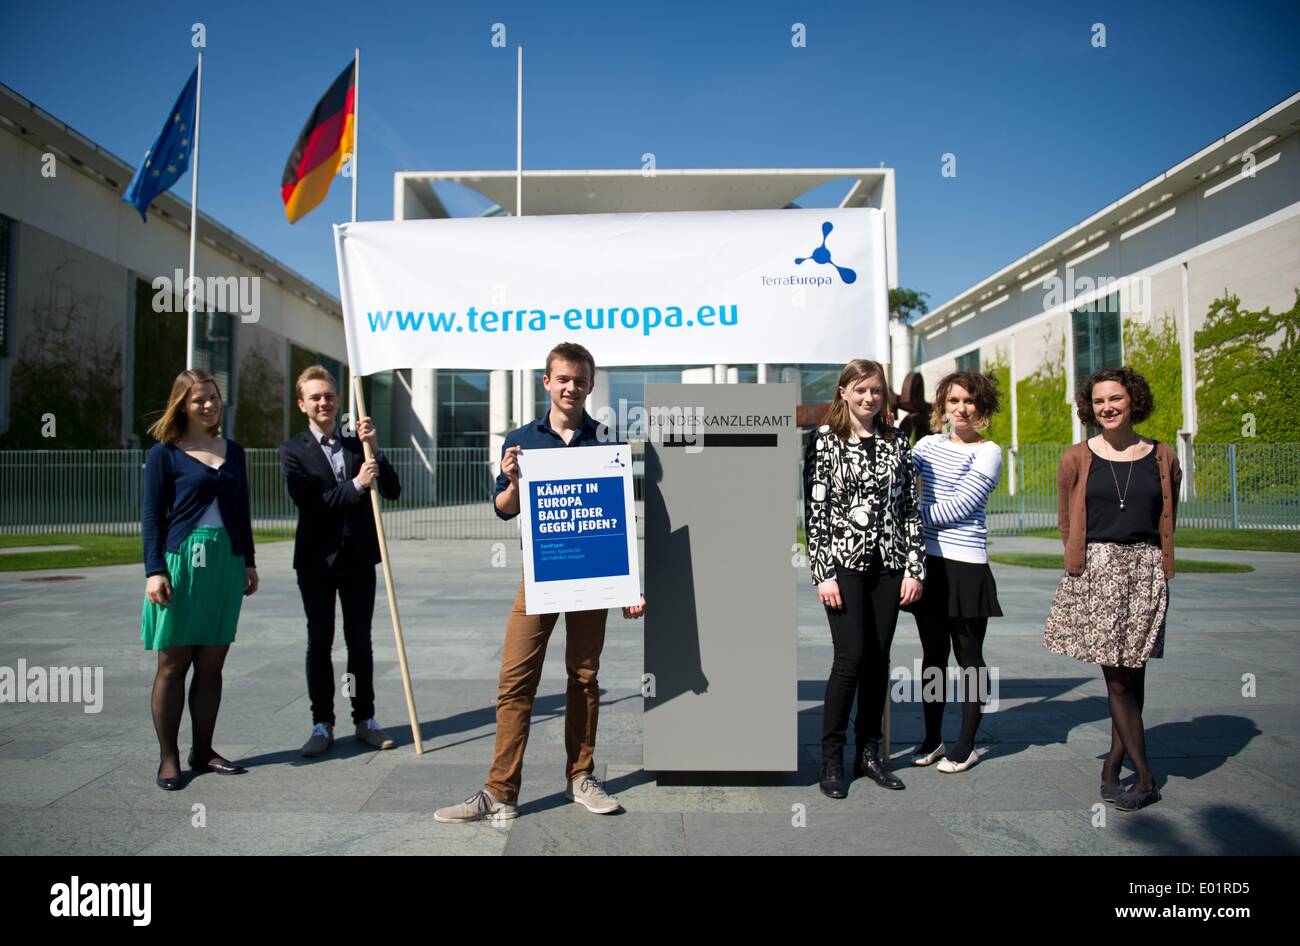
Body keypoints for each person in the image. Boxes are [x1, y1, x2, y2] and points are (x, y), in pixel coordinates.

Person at [434, 342, 645, 823]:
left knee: (585, 677)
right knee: (515, 681)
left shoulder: (607, 440)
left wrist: (628, 585)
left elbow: (617, 520)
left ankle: (581, 777)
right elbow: (504, 509)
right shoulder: (522, 438)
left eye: (581, 380)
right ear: (547, 382)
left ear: (590, 385)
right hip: (542, 576)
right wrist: (511, 481)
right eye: (563, 379)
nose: (572, 387)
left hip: (593, 579)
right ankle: (500, 791)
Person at [1044, 366, 1181, 813]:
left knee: (1134, 671)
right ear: (1091, 407)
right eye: (1100, 401)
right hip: (1097, 571)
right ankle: (1145, 778)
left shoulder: (1162, 456)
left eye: (1116, 399)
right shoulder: (1076, 456)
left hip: (1145, 571)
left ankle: (1112, 763)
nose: (1107, 407)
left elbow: (1168, 514)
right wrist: (1079, 562)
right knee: (1117, 679)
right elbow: (1067, 519)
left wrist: (1157, 565)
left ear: (1132, 401)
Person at [805, 358, 925, 799]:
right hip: (843, 567)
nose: (868, 397)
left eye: (875, 390)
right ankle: (832, 757)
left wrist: (915, 566)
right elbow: (815, 511)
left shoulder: (898, 441)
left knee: (878, 659)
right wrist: (823, 573)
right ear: (844, 392)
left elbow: (910, 508)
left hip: (890, 566)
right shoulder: (823, 441)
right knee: (850, 658)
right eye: (860, 389)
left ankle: (869, 753)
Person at [141, 369, 257, 790]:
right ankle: (169, 758)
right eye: (198, 400)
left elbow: (241, 509)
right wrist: (154, 570)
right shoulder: (165, 453)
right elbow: (152, 516)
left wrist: (248, 560)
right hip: (180, 564)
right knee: (173, 665)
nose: (208, 405)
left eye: (213, 398)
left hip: (225, 563)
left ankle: (203, 750)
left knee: (212, 665)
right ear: (182, 405)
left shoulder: (234, 450)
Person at [280, 365, 402, 757]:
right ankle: (322, 723)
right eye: (315, 397)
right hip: (316, 560)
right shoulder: (292, 451)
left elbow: (394, 490)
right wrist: (355, 486)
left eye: (329, 395)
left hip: (358, 558)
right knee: (320, 643)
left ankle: (364, 718)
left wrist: (377, 450)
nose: (323, 402)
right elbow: (313, 505)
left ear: (338, 400)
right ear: (303, 404)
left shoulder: (357, 442)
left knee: (359, 643)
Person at [907, 371, 1004, 774]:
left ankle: (967, 742)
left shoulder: (989, 452)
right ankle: (933, 738)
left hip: (967, 565)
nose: (961, 408)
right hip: (928, 563)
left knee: (969, 656)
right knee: (932, 657)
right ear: (941, 406)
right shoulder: (926, 445)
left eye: (969, 401)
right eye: (953, 401)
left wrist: (908, 518)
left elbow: (961, 507)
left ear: (981, 406)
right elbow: (898, 483)